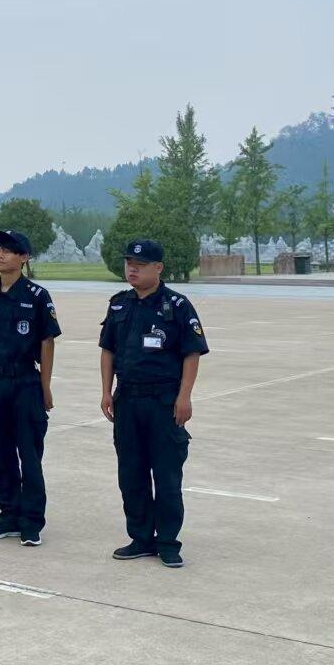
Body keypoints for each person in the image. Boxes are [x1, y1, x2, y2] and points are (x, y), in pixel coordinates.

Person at [99, 238, 208, 569]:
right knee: (131, 474)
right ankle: (141, 538)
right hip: (128, 399)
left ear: (158, 268)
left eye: (140, 265)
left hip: (163, 401)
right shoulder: (119, 305)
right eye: (129, 264)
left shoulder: (177, 305)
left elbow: (192, 353)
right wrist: (106, 391)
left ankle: (168, 542)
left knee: (167, 475)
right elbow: (108, 350)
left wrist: (184, 397)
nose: (132, 269)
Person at [0, 229, 61, 547]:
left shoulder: (36, 296)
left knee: (29, 456)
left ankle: (31, 521)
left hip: (24, 383)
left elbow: (47, 343)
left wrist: (45, 387)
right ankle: (8, 514)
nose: (0, 255)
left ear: (23, 257)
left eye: (7, 250)